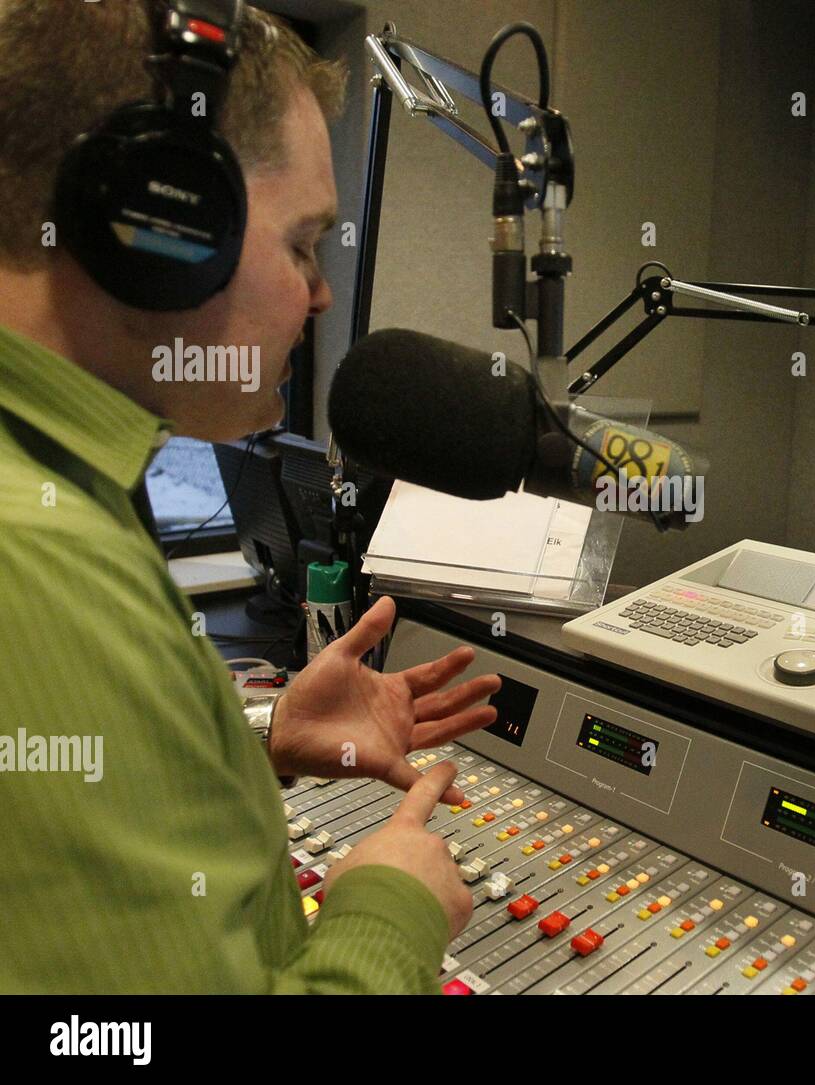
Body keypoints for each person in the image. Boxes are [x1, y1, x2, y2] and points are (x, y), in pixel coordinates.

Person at [0, 1, 501, 992]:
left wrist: (249, 747)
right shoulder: (41, 565)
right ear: (159, 227)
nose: (318, 296)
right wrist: (388, 908)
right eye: (303, 243)